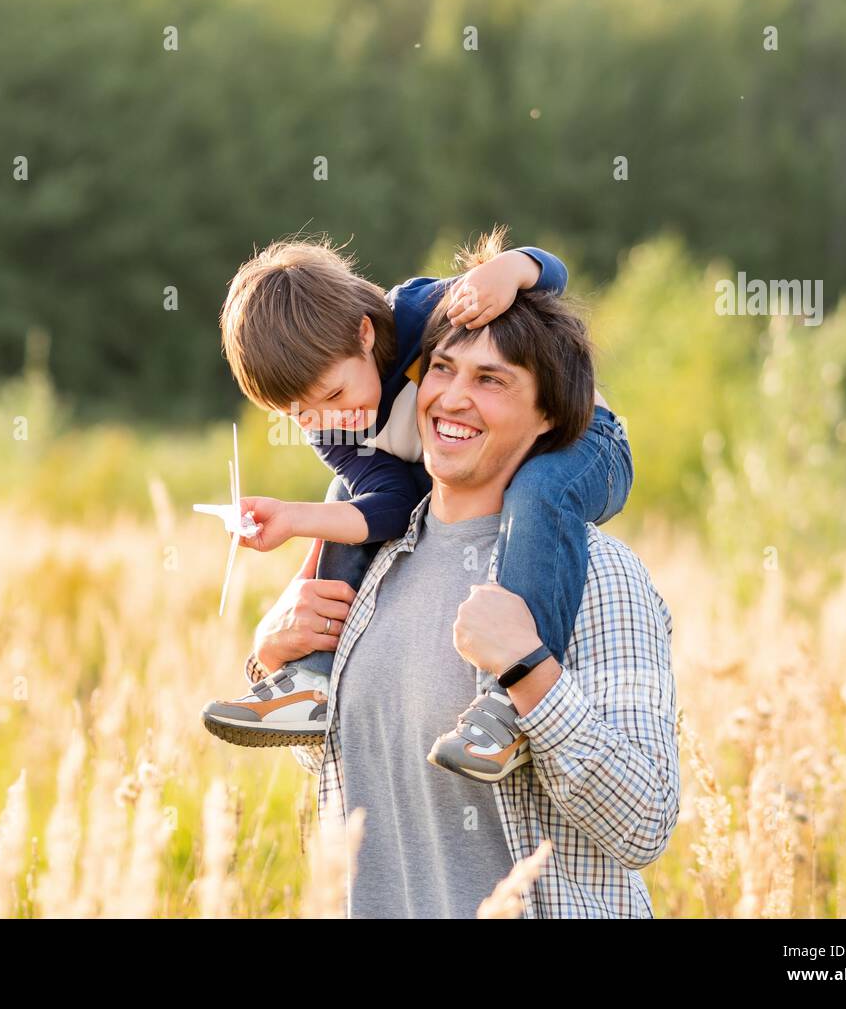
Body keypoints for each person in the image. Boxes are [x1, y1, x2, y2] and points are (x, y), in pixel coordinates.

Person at [241, 287, 678, 918]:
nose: (453, 397)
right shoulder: (374, 564)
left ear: (550, 414)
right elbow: (363, 769)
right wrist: (277, 661)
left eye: (492, 380)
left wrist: (530, 672)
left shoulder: (605, 578)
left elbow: (644, 826)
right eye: (441, 368)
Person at [202, 226, 633, 783]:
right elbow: (392, 504)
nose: (329, 420)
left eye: (334, 395)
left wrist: (509, 271)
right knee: (341, 496)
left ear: (363, 334)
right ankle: (311, 678)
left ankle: (509, 707)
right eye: (299, 414)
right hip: (459, 464)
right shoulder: (332, 427)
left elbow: (550, 279)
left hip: (580, 444)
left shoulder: (419, 310)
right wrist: (294, 517)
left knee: (539, 491)